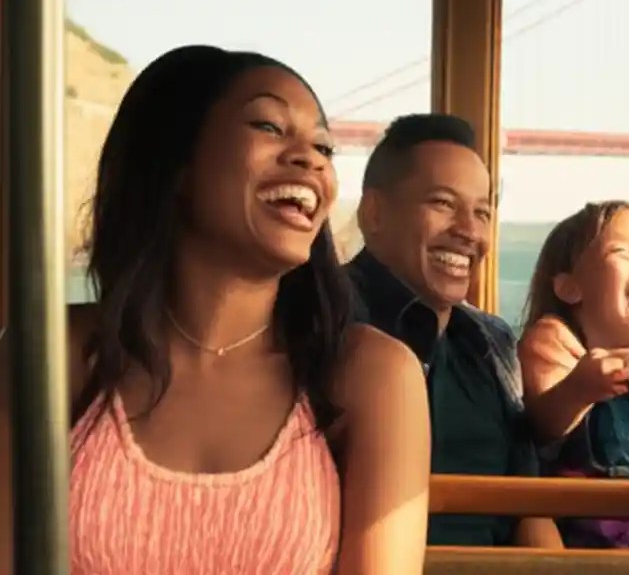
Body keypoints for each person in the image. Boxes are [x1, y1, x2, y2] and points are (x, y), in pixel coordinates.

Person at [0, 45, 431, 574]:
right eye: (270, 126)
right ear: (174, 162)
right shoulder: (57, 352)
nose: (311, 158)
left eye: (323, 146)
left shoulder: (372, 375)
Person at [346, 114, 561, 548]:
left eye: (481, 212)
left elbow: (527, 507)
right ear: (374, 213)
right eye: (443, 204)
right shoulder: (321, 322)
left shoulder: (491, 341)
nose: (469, 231)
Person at [518, 201, 629, 549]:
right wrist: (577, 390)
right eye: (623, 252)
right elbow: (544, 426)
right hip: (591, 529)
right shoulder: (554, 338)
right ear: (569, 287)